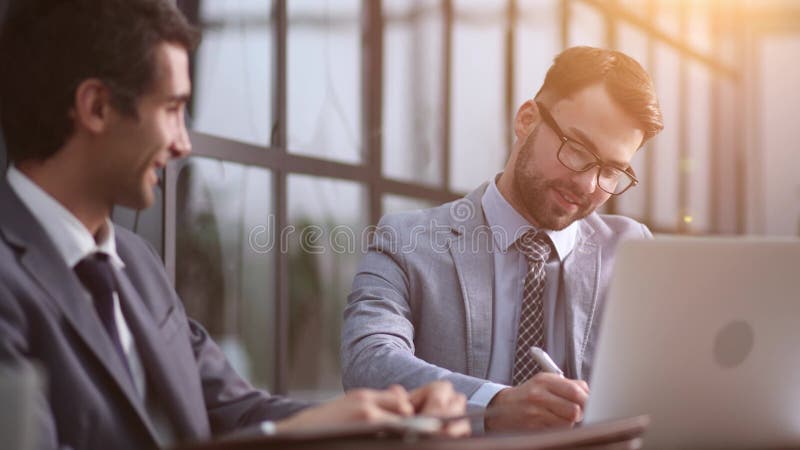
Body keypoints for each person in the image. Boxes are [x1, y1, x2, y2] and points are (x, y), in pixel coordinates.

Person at [0, 1, 468, 449]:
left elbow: (237, 412)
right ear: (97, 107)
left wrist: (385, 419)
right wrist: (277, 440)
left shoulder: (136, 264)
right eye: (171, 108)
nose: (184, 143)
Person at [341, 46, 664, 432]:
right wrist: (493, 404)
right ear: (527, 119)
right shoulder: (406, 240)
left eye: (610, 171)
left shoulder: (631, 251)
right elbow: (368, 361)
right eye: (577, 150)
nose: (587, 183)